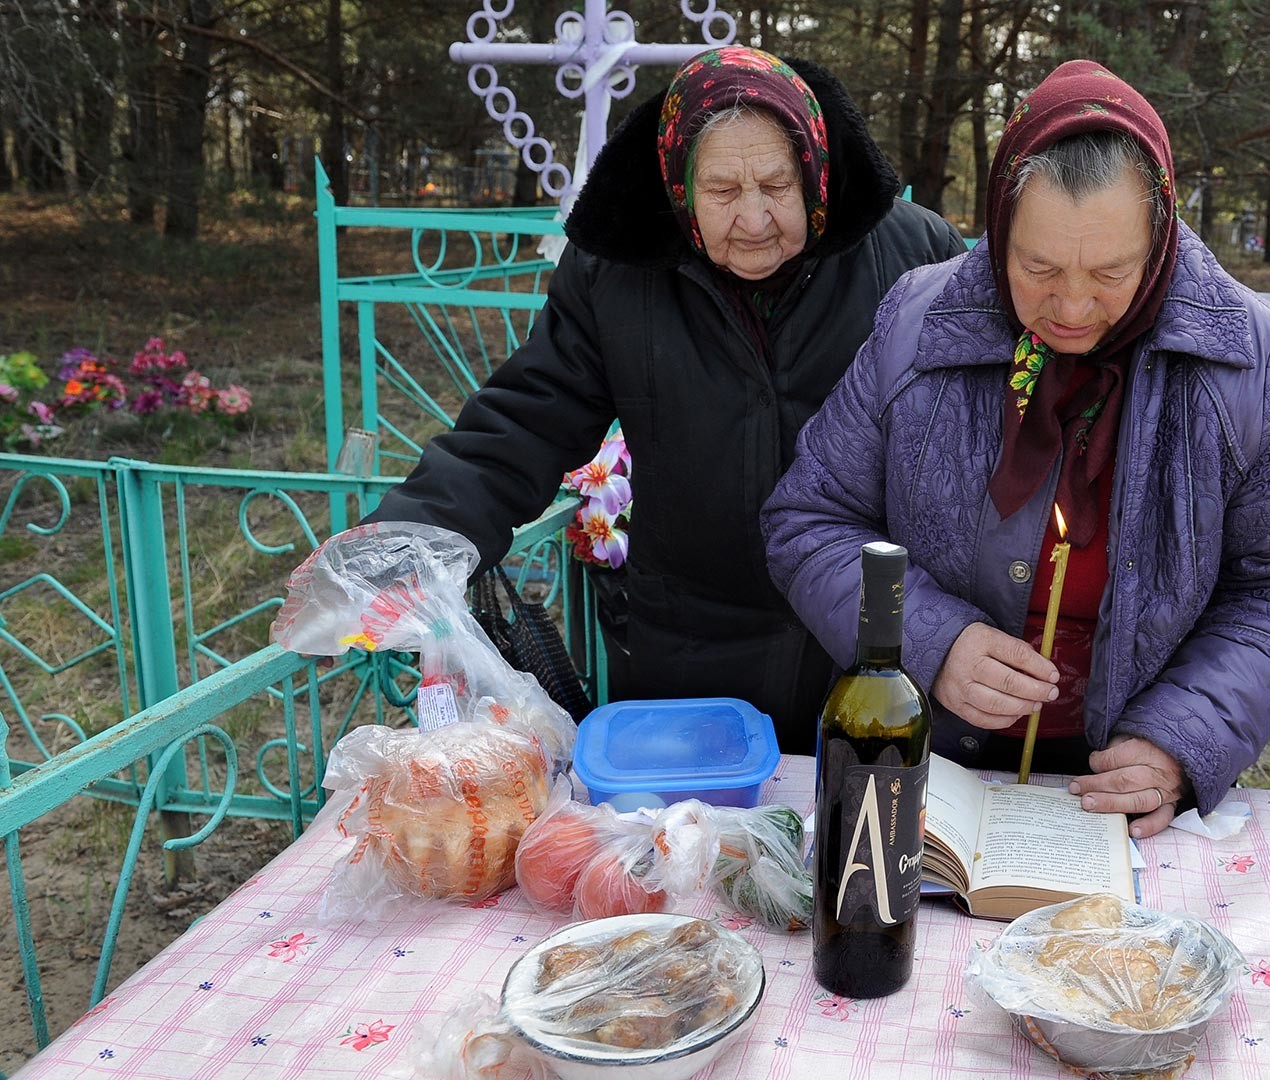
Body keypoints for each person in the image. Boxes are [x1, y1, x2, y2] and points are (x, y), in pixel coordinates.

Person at [762, 60, 1270, 837]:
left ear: (1161, 237)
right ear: (1000, 230)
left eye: (1112, 272)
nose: (1073, 307)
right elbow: (809, 521)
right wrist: (932, 639)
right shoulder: (918, 323)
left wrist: (1183, 738)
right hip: (931, 767)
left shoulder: (1247, 360)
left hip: (1118, 790)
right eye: (1038, 268)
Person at [353, 47, 967, 750]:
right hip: (693, 650)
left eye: (776, 183)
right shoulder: (618, 274)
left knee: (857, 846)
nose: (756, 218)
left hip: (867, 649)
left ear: (815, 172)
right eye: (724, 191)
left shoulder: (911, 256)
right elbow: (529, 418)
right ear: (680, 189)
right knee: (695, 851)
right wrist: (406, 541)